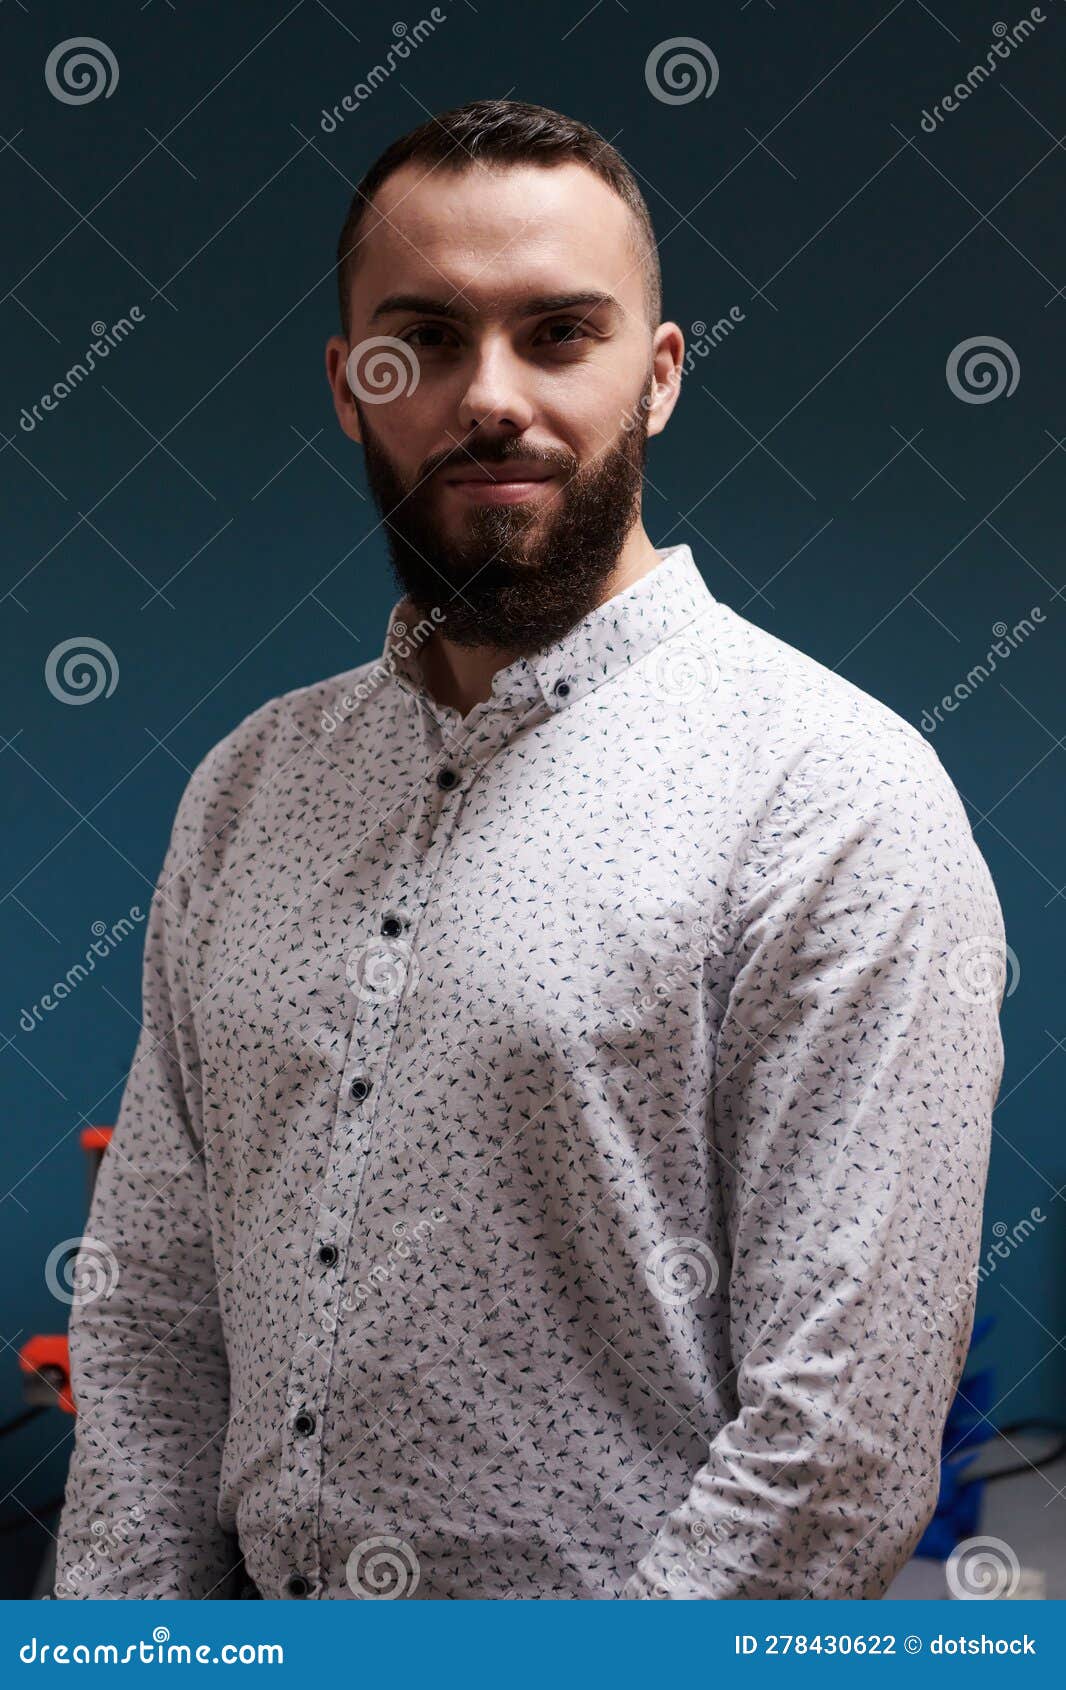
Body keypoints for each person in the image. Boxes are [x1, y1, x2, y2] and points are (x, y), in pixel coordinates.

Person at [54, 98, 1006, 1601]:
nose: (489, 396)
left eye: (559, 333)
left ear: (660, 373)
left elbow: (834, 1450)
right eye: (424, 341)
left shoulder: (834, 796)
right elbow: (155, 1317)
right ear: (348, 386)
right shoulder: (247, 789)